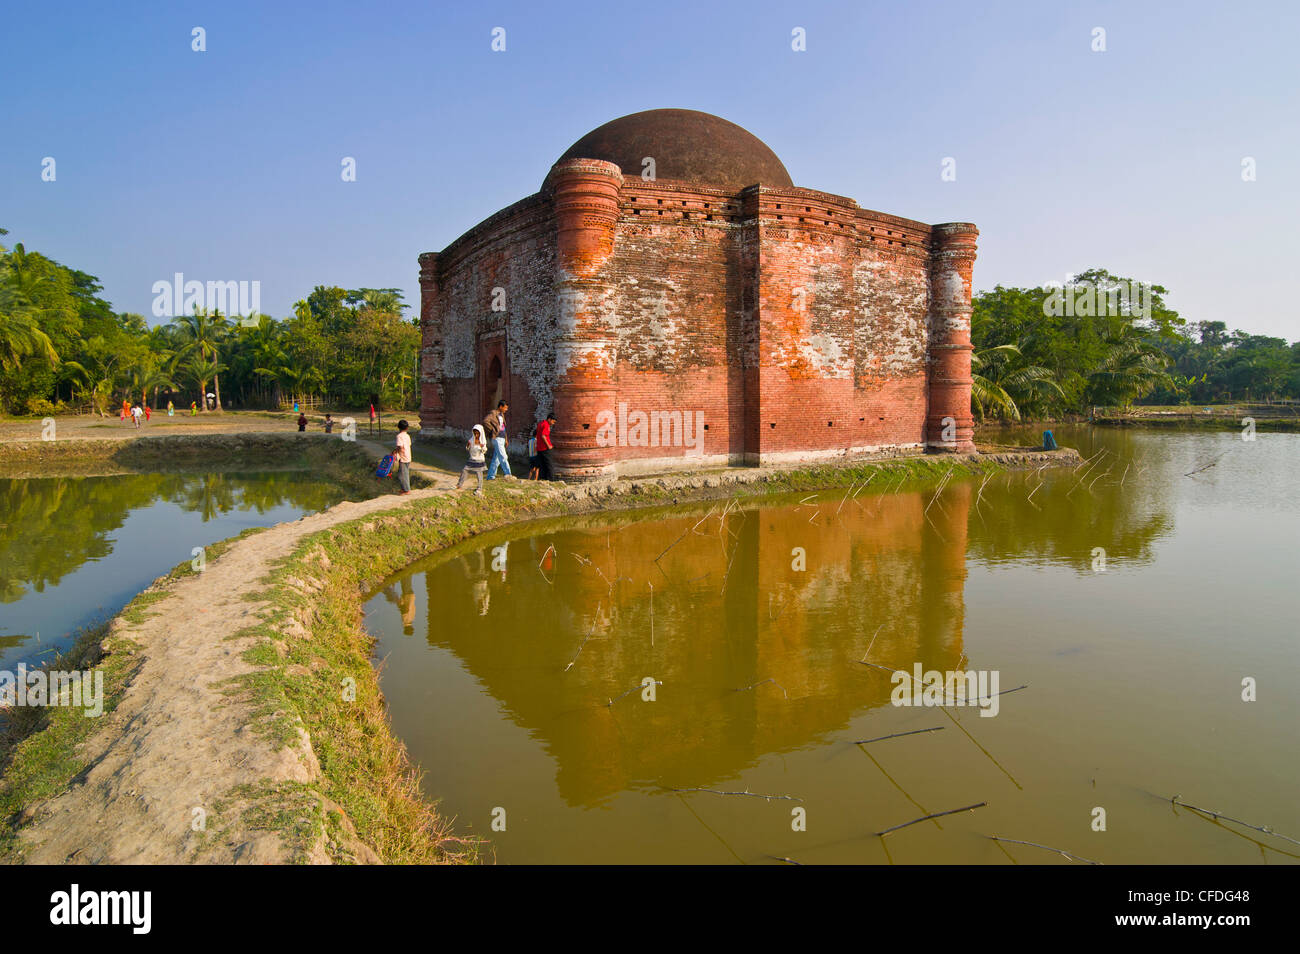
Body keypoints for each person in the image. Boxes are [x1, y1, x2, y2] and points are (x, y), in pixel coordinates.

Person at [455, 425, 487, 496]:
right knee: (464, 470)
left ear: (481, 433)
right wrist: (468, 445)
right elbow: (467, 448)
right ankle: (459, 485)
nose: (476, 435)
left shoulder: (483, 441)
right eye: (475, 433)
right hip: (472, 459)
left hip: (479, 460)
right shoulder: (471, 440)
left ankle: (479, 487)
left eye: (478, 433)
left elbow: (485, 450)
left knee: (479, 474)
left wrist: (482, 447)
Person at [484, 400, 511, 479]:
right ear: (500, 407)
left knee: (496, 460)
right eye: (505, 408)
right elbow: (485, 421)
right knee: (503, 456)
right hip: (497, 438)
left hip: (502, 438)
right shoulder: (493, 413)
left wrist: (506, 439)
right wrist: (492, 431)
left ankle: (490, 476)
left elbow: (503, 428)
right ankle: (508, 474)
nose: (506, 409)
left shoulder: (502, 415)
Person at [534, 412, 557, 480]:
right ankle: (551, 479)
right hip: (545, 448)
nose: (553, 423)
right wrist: (548, 446)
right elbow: (543, 436)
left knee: (542, 465)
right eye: (553, 421)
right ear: (549, 419)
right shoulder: (546, 425)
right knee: (549, 464)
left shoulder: (540, 423)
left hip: (539, 448)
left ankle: (543, 478)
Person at [394, 419, 413, 494]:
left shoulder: (399, 436)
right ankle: (404, 488)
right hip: (408, 456)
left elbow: (400, 446)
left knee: (401, 475)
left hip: (403, 457)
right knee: (405, 473)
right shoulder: (407, 436)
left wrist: (395, 452)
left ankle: (406, 490)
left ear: (398, 427)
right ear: (407, 428)